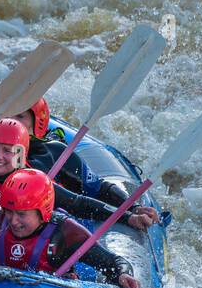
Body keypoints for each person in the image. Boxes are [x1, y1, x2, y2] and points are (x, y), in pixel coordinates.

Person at [0, 118, 155, 230]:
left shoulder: (34, 183)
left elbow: (78, 203)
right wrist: (5, 225)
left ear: (21, 154)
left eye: (7, 151)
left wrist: (129, 214)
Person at [0, 169, 141, 288]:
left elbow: (114, 262)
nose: (13, 220)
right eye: (9, 211)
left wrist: (123, 274)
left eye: (21, 214)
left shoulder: (66, 231)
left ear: (43, 211)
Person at [12, 98, 160, 228]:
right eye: (8, 113)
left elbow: (95, 190)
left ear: (38, 123)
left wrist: (132, 208)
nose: (11, 120)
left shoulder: (54, 152)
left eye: (20, 116)